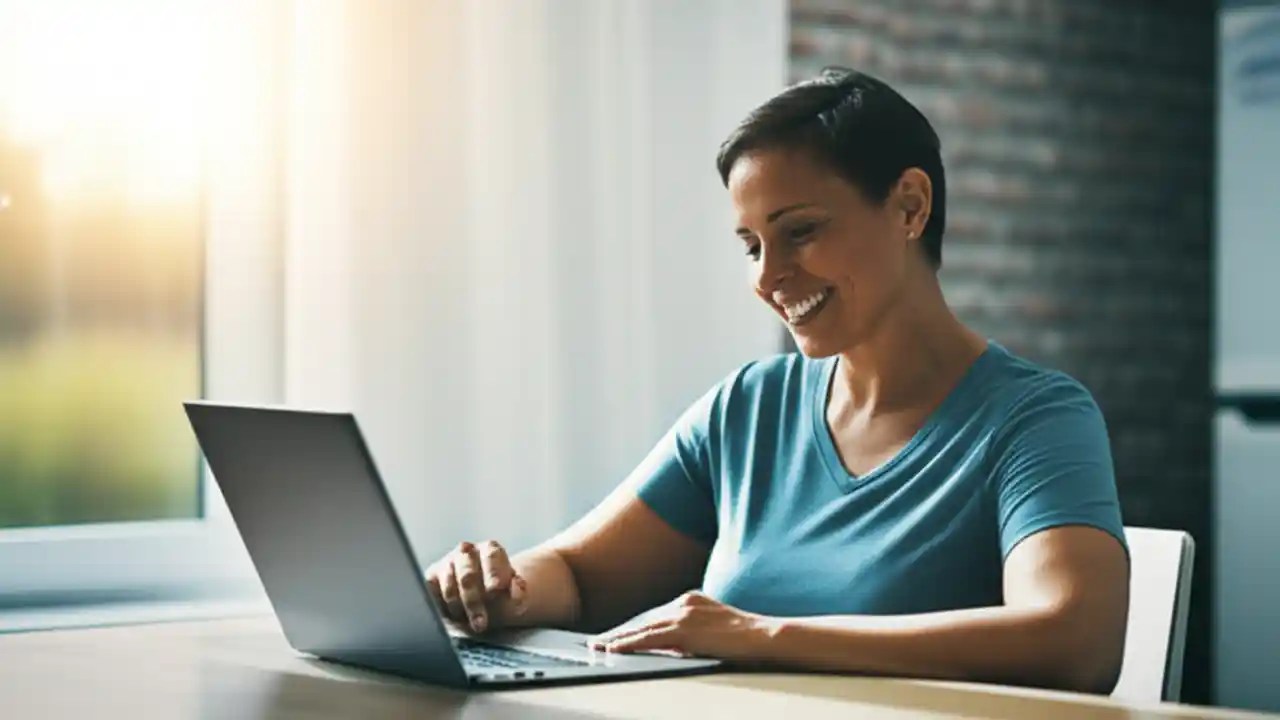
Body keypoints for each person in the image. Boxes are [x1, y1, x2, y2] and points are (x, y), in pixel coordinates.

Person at [426, 67, 1130, 694]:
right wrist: (501, 588)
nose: (768, 276)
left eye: (800, 232)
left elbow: (1076, 642)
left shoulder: (1035, 420)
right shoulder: (748, 409)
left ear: (910, 207)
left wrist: (763, 636)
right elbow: (581, 575)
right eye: (751, 245)